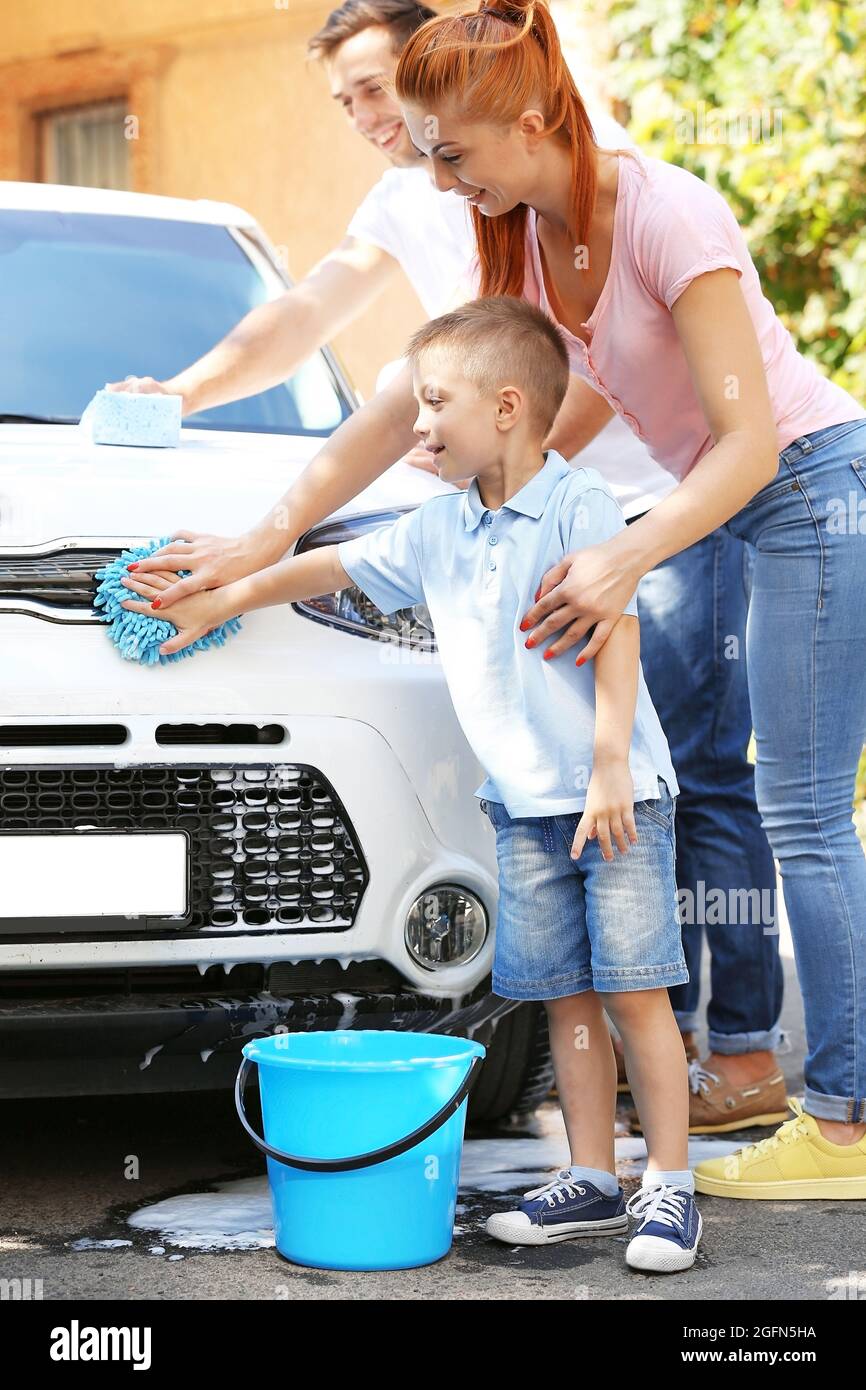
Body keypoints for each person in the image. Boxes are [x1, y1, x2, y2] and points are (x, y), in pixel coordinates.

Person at [127, 0, 866, 1197]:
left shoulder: (665, 211)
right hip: (701, 498)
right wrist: (279, 531)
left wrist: (620, 554)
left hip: (806, 490)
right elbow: (442, 395)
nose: (434, 173)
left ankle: (843, 1124)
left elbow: (748, 445)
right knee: (740, 794)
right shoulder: (519, 231)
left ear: (528, 124)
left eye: (449, 150)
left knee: (795, 808)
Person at [120, 296, 704, 1272]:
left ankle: (669, 1190)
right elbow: (324, 569)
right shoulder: (435, 528)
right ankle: (592, 1177)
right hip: (522, 808)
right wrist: (211, 598)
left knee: (634, 991)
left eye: (433, 404)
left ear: (507, 408)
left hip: (615, 793)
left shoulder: (577, 504)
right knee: (560, 994)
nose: (417, 425)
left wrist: (607, 760)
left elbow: (616, 629)